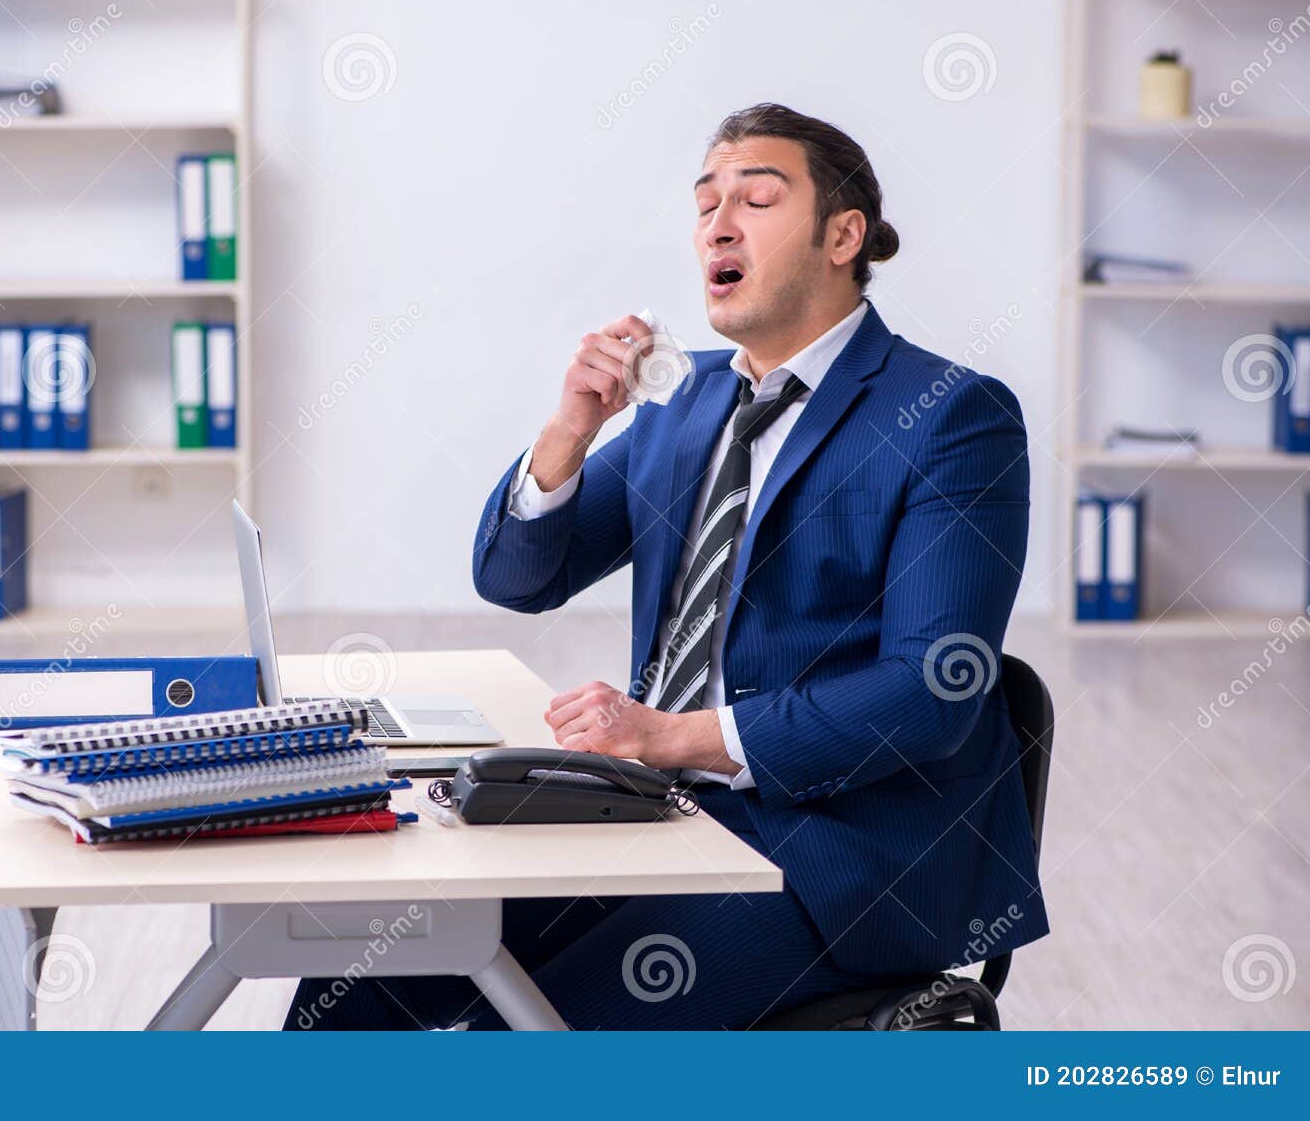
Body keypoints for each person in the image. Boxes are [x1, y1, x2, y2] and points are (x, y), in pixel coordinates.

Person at [287, 102, 1047, 1030]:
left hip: (837, 860)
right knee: (361, 962)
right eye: (704, 205)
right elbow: (519, 580)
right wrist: (569, 431)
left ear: (843, 236)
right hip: (662, 813)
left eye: (756, 200)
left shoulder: (950, 416)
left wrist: (667, 737)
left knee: (522, 1033)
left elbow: (930, 694)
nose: (718, 225)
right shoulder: (686, 400)